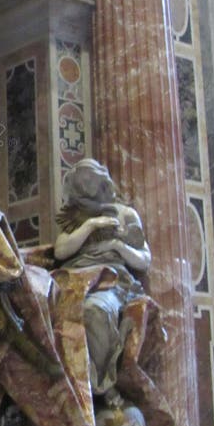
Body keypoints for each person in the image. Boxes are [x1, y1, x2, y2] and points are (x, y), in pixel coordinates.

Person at [54, 158, 151, 401]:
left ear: (103, 181)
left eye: (90, 180)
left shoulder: (125, 214)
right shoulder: (75, 217)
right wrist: (89, 226)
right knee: (43, 308)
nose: (86, 187)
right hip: (75, 277)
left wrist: (118, 246)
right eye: (80, 182)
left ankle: (97, 387)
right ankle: (59, 381)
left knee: (95, 310)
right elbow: (61, 251)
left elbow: (144, 259)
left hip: (111, 281)